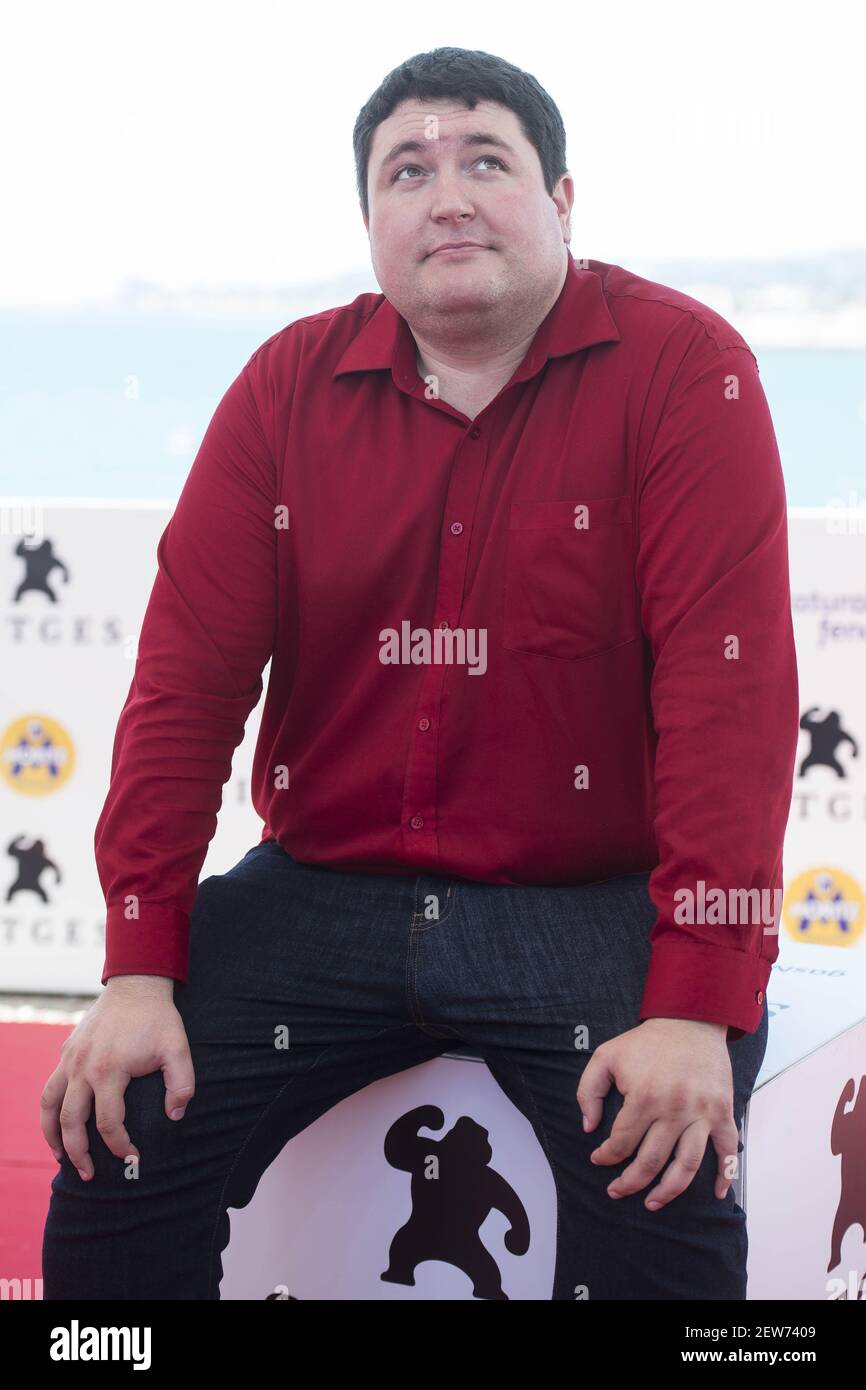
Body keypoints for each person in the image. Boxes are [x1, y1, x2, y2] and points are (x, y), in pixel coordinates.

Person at [41, 45, 798, 1300]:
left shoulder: (682, 371)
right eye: (407, 170)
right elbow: (185, 682)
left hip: (584, 900)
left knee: (663, 1186)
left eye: (484, 160)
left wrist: (695, 1006)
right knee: (115, 1132)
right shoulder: (287, 387)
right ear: (370, 226)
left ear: (562, 201)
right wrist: (135, 967)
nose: (444, 195)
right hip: (325, 891)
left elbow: (732, 698)